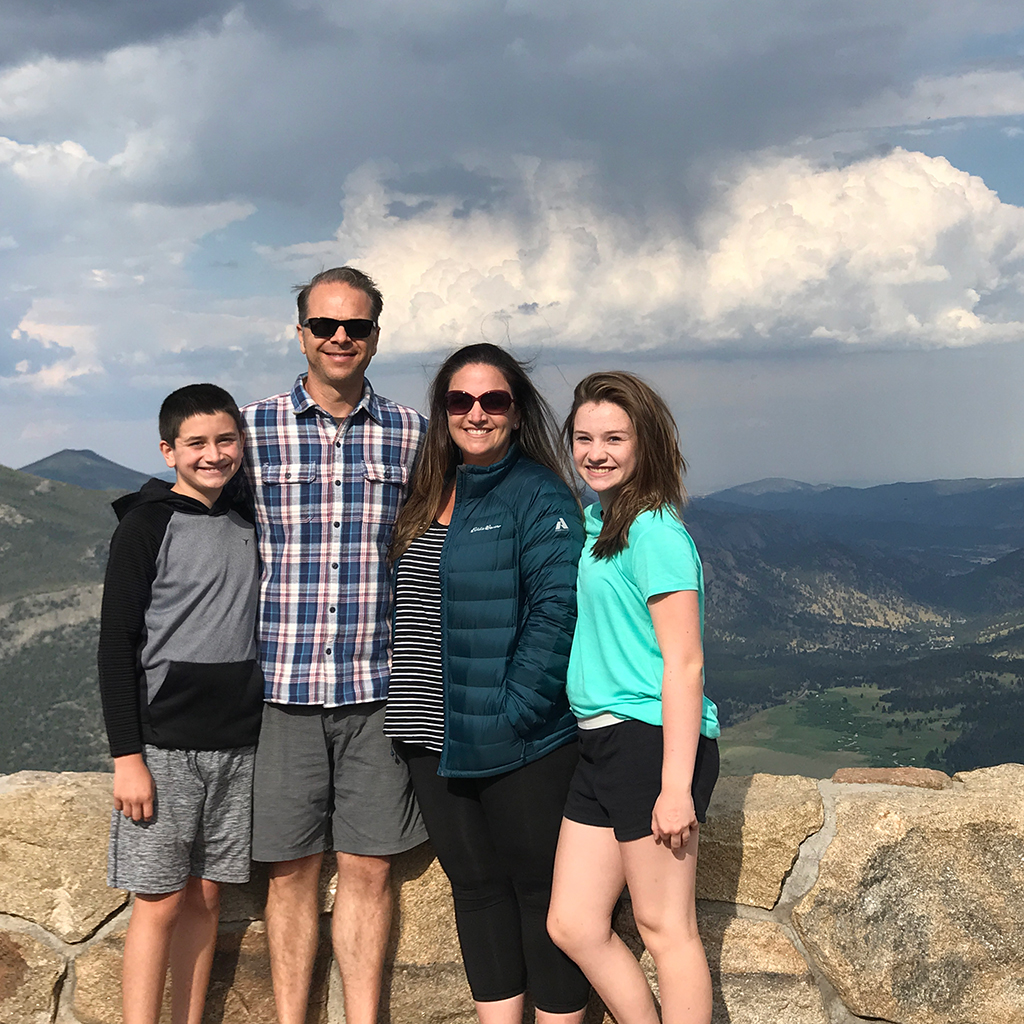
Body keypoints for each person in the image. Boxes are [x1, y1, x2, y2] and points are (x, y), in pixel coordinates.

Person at [383, 342, 591, 1024]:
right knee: (473, 888)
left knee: (539, 891)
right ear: (442, 411)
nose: (476, 413)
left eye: (493, 400)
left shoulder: (537, 493)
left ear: (515, 411)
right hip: (426, 732)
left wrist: (512, 711)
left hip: (515, 736)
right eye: (460, 400)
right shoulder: (424, 496)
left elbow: (557, 609)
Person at [241, 266, 428, 1024]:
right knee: (288, 872)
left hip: (377, 687)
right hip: (280, 685)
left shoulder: (412, 433)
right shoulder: (251, 429)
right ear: (302, 334)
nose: (340, 338)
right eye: (325, 325)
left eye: (355, 326)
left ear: (376, 336)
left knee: (370, 868)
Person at [546, 372, 721, 1024]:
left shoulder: (655, 532)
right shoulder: (600, 521)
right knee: (572, 922)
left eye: (614, 438)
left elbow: (685, 663)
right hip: (601, 743)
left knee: (665, 929)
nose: (596, 451)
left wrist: (675, 786)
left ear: (644, 444)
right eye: (584, 438)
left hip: (649, 742)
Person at [98, 383, 264, 1024]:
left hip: (237, 743)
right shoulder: (146, 526)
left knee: (205, 897)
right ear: (168, 450)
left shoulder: (248, 517)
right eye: (196, 443)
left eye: (226, 440)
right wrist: (126, 756)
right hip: (162, 745)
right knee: (159, 900)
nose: (214, 454)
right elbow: (117, 644)